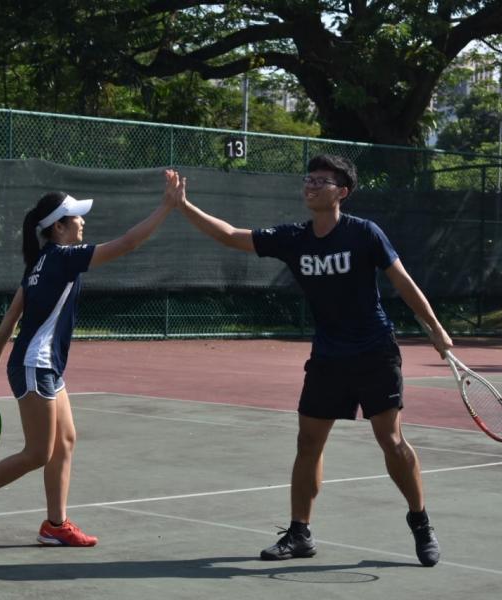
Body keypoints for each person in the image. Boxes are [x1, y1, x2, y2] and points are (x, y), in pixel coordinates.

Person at [170, 154, 452, 567]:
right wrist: (183, 205)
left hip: (374, 351)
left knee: (390, 442)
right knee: (308, 443)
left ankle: (420, 522)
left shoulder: (365, 234)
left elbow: (403, 282)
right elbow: (231, 235)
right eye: (309, 179)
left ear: (342, 192)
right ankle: (300, 533)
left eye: (322, 181)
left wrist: (436, 331)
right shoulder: (293, 239)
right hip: (329, 357)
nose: (312, 185)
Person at [0, 170, 181, 546]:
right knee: (38, 452)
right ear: (58, 228)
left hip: (44, 365)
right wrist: (166, 207)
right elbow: (128, 243)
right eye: (76, 217)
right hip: (34, 365)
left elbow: (11, 318)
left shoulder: (40, 262)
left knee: (66, 441)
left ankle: (55, 526)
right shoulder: (62, 258)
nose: (82, 221)